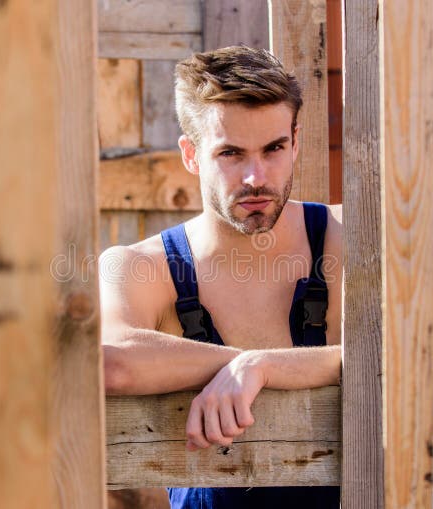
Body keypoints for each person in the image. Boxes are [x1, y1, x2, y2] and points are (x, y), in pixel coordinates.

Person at [100, 46, 342, 509]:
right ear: (191, 155)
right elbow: (112, 359)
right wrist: (241, 364)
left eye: (274, 149)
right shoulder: (140, 265)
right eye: (231, 153)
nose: (256, 177)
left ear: (295, 140)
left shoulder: (344, 239)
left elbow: (390, 358)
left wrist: (258, 369)